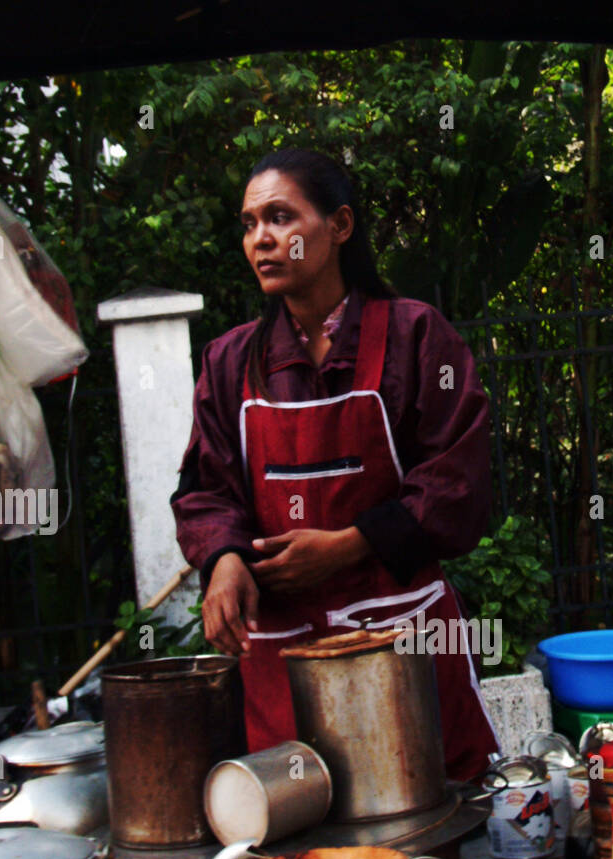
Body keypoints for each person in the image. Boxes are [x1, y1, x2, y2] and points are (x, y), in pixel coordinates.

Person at [171, 148, 499, 779]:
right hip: (280, 656)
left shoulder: (415, 337)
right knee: (308, 851)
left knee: (429, 832)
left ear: (340, 226)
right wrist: (224, 559)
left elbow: (457, 482)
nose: (261, 239)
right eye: (248, 223)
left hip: (403, 644)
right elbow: (205, 490)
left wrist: (351, 545)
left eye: (280, 217)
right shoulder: (228, 363)